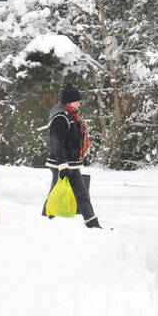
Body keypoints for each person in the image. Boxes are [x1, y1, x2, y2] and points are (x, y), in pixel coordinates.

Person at [42, 84, 102, 228]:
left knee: (79, 194)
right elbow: (57, 144)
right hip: (61, 164)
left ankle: (46, 219)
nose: (79, 103)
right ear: (69, 102)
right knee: (62, 193)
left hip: (71, 163)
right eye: (77, 101)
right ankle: (46, 219)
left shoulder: (72, 117)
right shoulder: (60, 118)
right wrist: (62, 167)